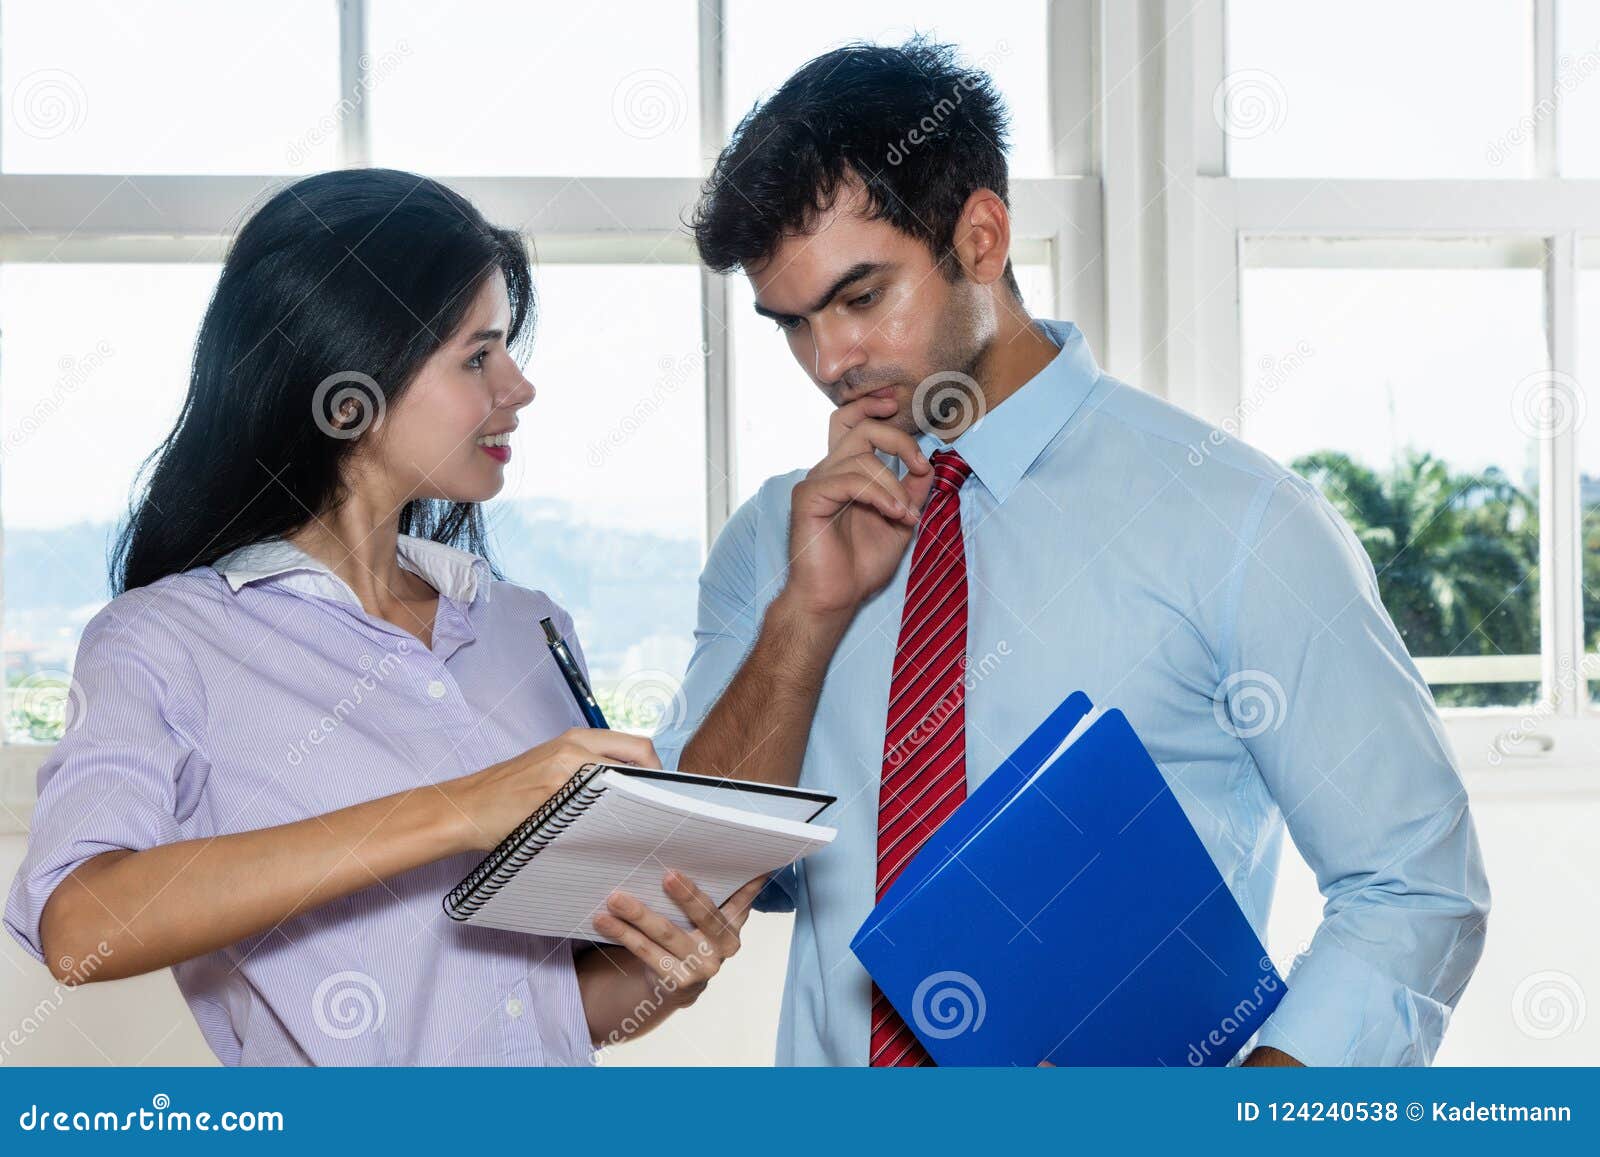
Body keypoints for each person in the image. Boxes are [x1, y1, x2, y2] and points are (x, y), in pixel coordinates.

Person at [656, 40, 1492, 1067]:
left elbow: (1414, 885)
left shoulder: (1237, 518)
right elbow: (692, 872)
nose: (829, 362)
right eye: (792, 324)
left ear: (980, 235)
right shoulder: (771, 542)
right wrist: (801, 620)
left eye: (862, 297)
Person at [4, 168, 760, 1066]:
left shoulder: (530, 628)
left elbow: (541, 1012)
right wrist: (460, 808)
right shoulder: (163, 641)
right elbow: (81, 923)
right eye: (478, 355)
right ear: (352, 383)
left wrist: (669, 972)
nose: (518, 387)